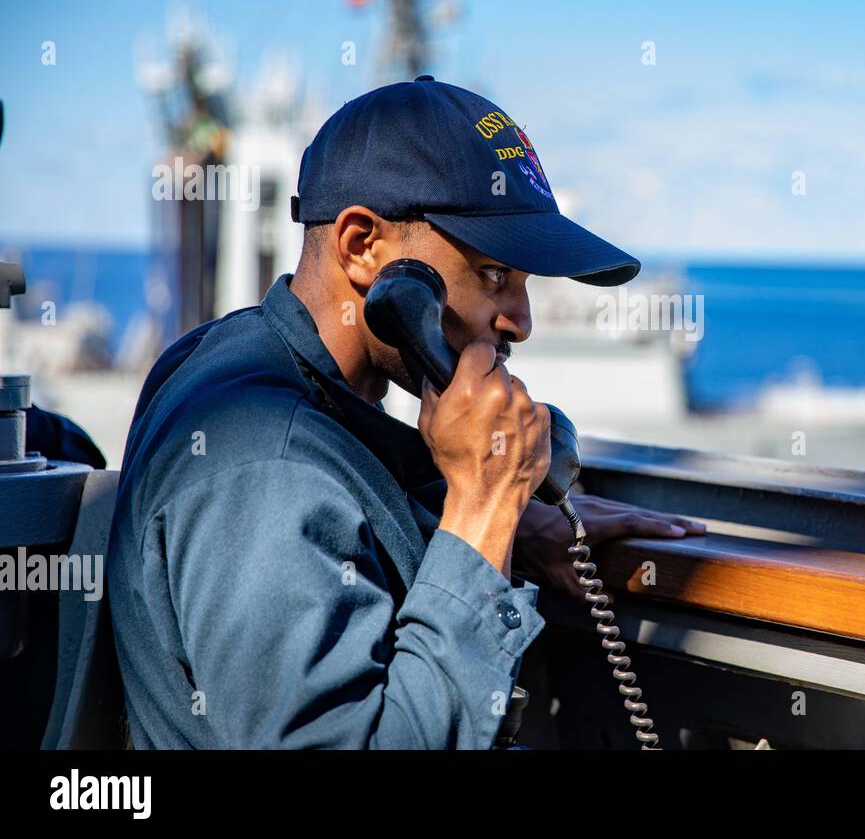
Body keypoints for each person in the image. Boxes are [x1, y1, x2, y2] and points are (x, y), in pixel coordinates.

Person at [106, 76, 704, 748]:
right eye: (491, 276)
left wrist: (517, 529)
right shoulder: (268, 470)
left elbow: (353, 497)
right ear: (364, 247)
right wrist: (483, 509)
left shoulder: (227, 357)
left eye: (525, 284)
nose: (521, 321)